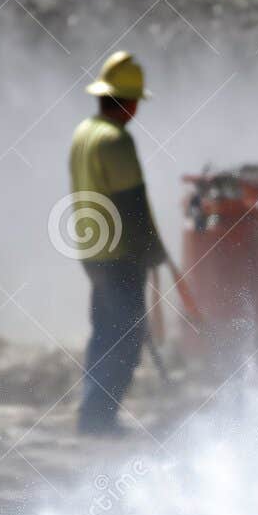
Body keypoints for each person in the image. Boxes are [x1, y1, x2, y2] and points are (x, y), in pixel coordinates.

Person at [68, 51, 167, 437]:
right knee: (126, 337)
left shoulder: (84, 134)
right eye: (135, 102)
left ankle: (92, 414)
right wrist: (154, 248)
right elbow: (133, 203)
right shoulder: (116, 141)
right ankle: (100, 418)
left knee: (105, 331)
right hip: (122, 254)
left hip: (93, 252)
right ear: (126, 102)